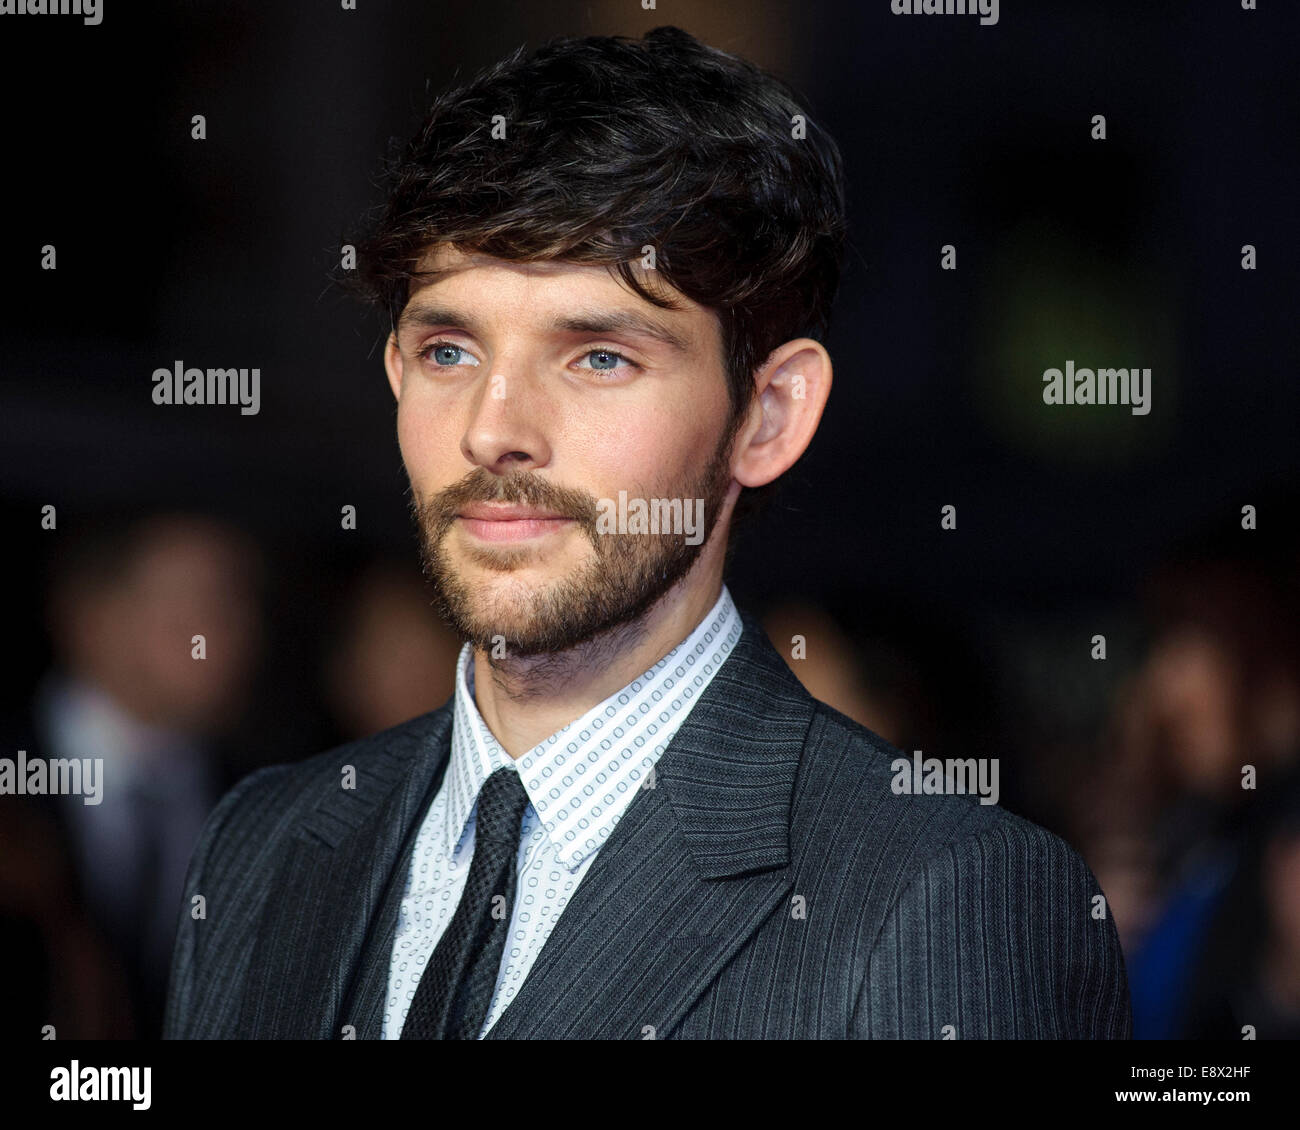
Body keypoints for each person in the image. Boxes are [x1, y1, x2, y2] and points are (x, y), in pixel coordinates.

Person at [163, 26, 1129, 1040]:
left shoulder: (942, 894)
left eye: (599, 358)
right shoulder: (261, 845)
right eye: (449, 349)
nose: (492, 429)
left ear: (768, 415)